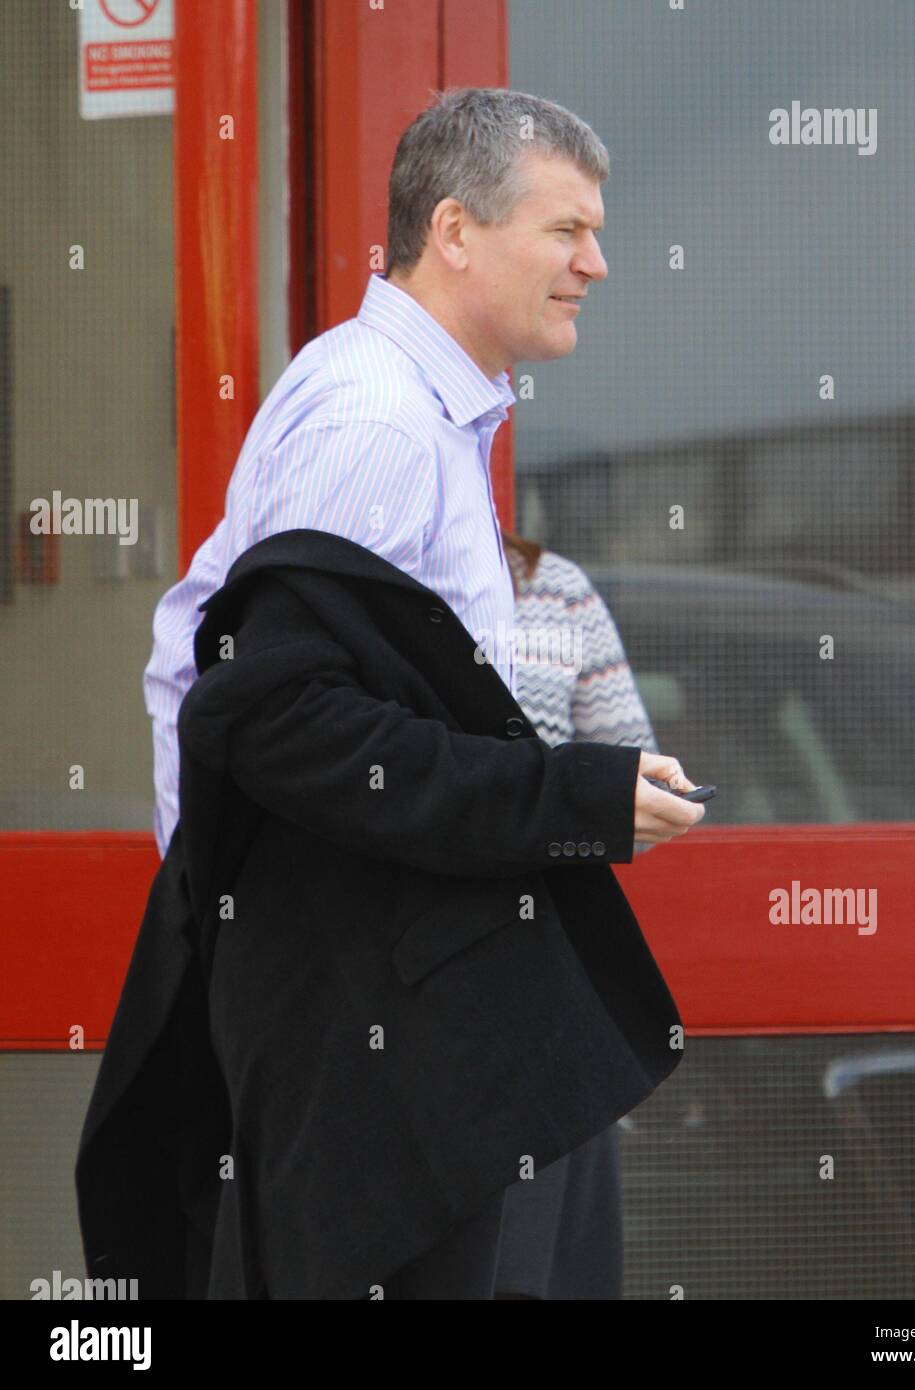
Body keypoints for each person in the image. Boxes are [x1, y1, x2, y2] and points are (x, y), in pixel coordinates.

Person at [132, 86, 703, 1298]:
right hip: (389, 1046)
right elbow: (271, 714)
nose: (597, 263)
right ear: (454, 231)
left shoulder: (407, 405)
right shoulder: (378, 422)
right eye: (567, 230)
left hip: (415, 1021)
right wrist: (571, 794)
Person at [493, 530, 660, 1300]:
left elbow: (629, 769)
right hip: (423, 977)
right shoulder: (370, 595)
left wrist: (629, 797)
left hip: (549, 973)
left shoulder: (553, 587)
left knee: (555, 1260)